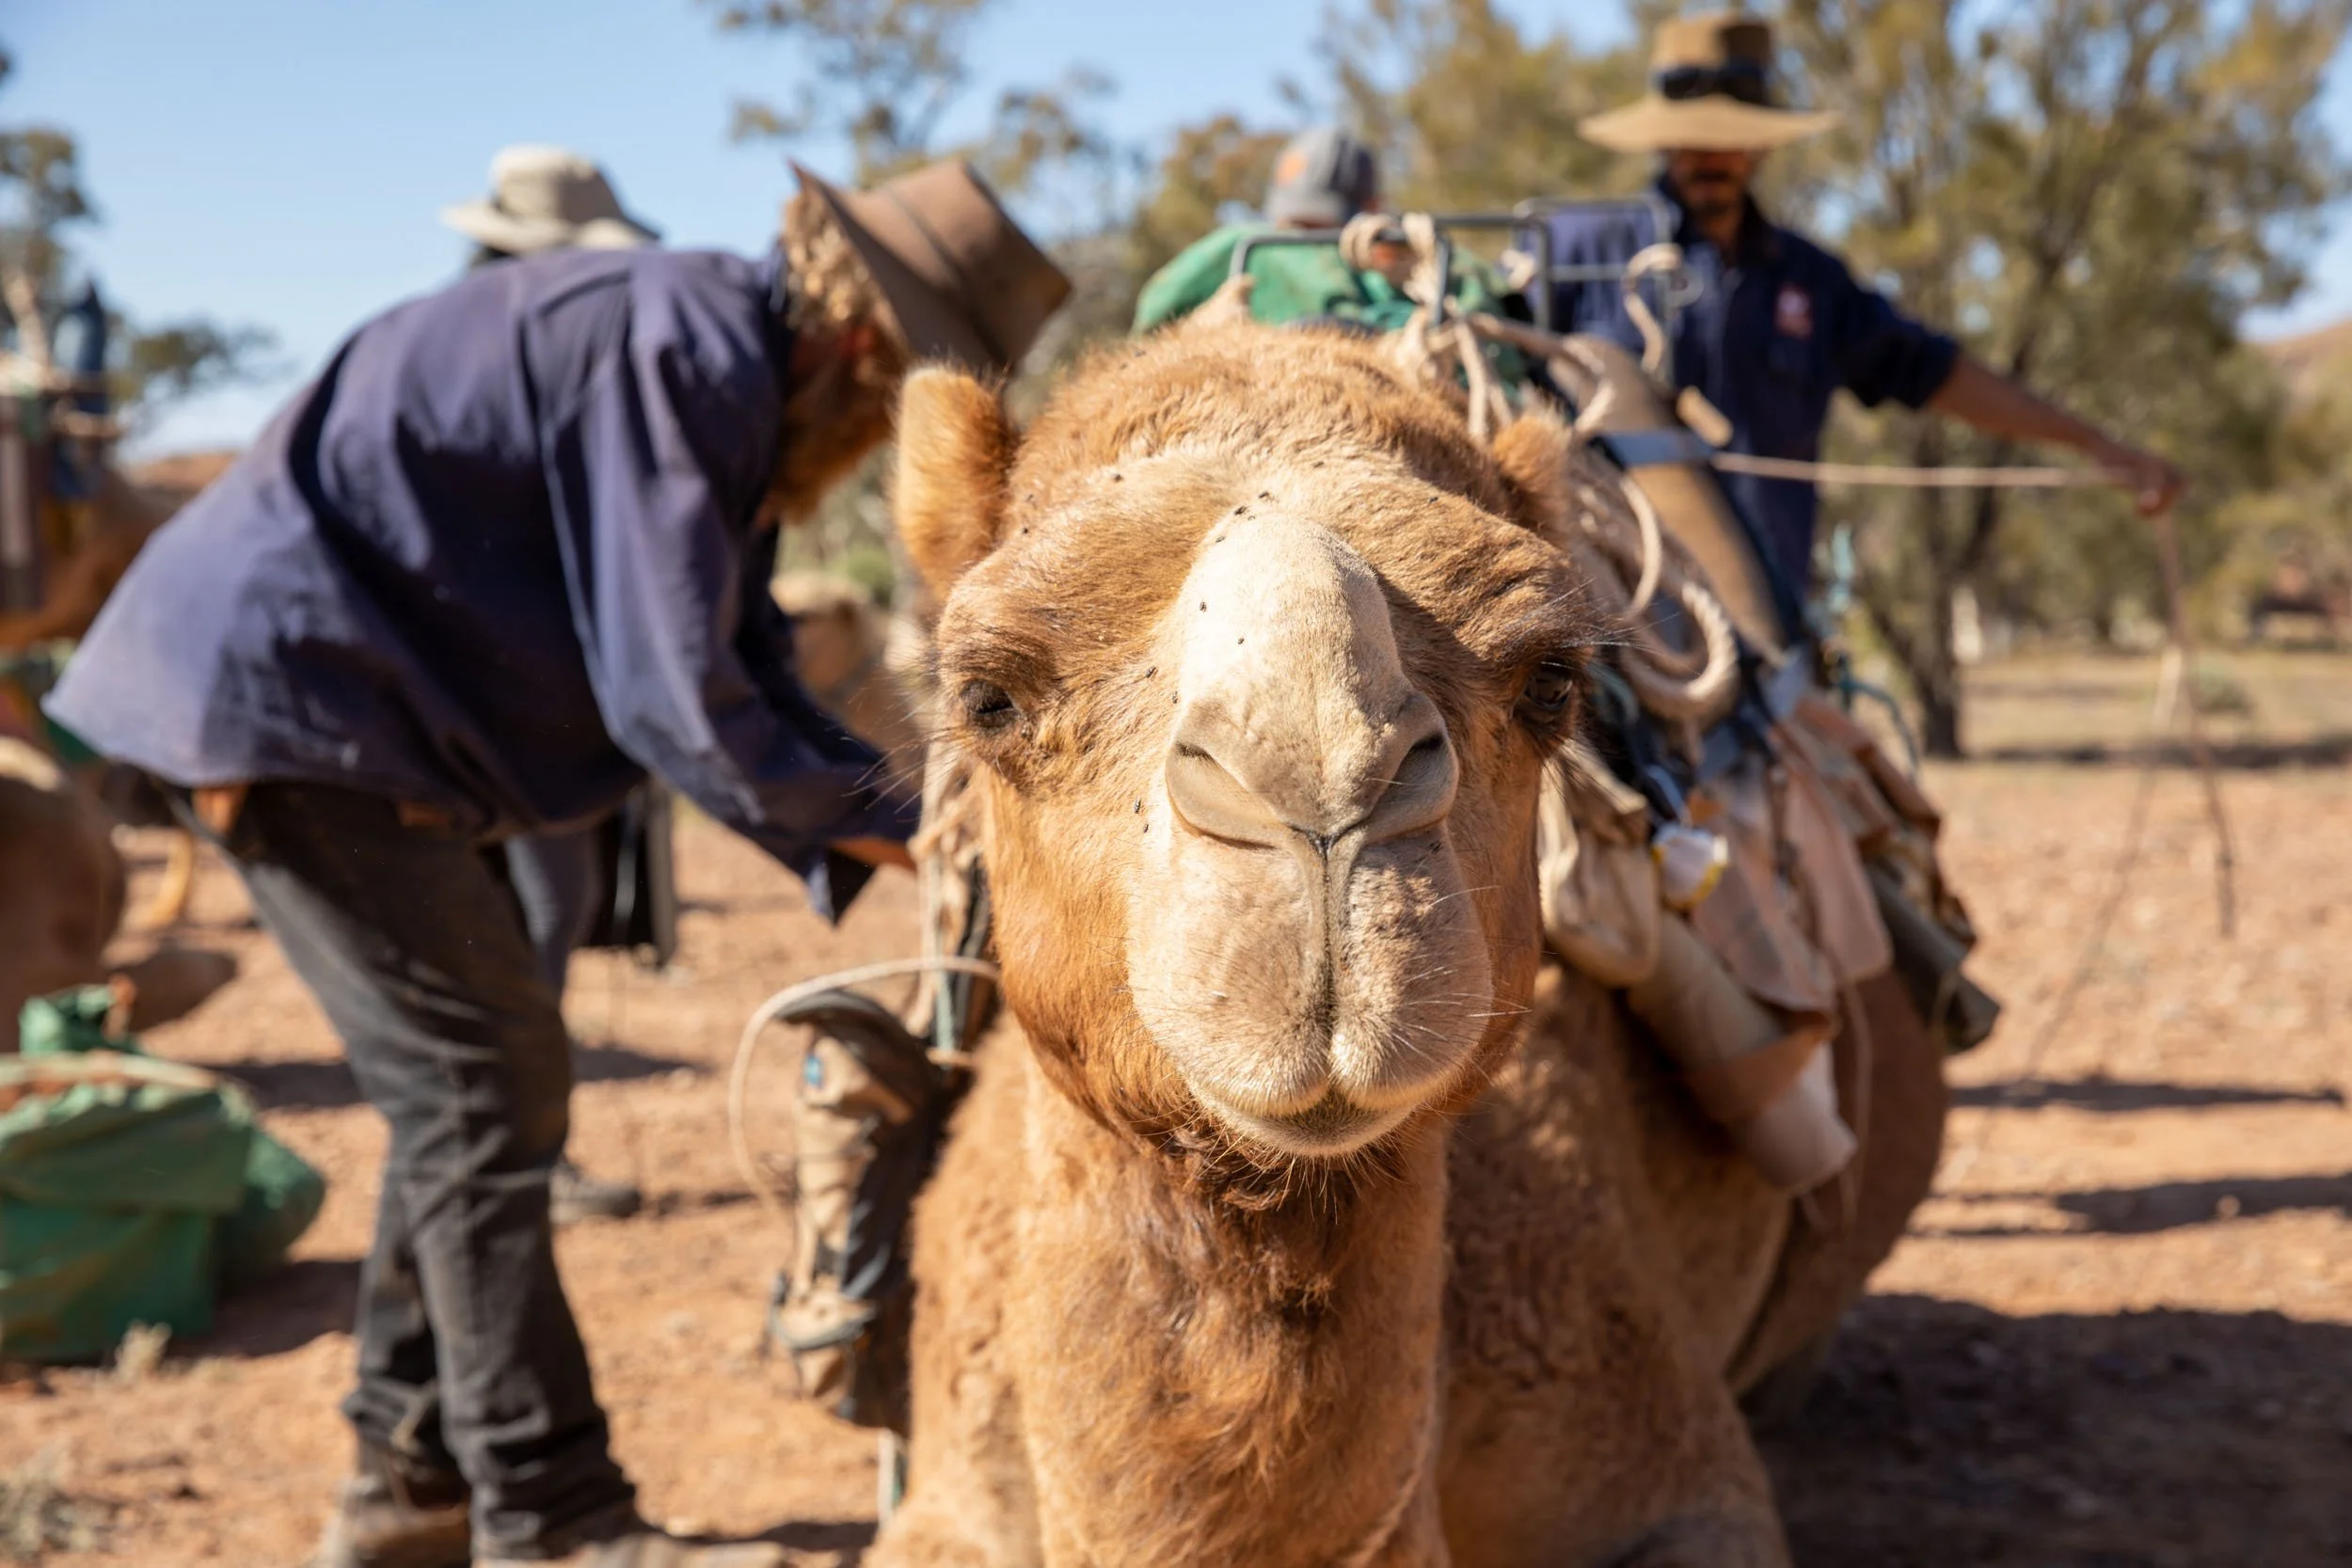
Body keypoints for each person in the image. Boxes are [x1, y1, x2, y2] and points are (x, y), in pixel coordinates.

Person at [48, 158, 1069, 1568]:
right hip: (285, 698)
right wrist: (910, 835)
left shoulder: (718, 374)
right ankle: (556, 1516)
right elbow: (668, 690)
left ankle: (407, 1480)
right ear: (863, 350)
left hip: (350, 717)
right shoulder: (679, 354)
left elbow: (748, 659)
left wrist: (924, 800)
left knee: (462, 1087)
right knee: (484, 1079)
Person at [1549, 10, 2183, 622]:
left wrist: (2095, 445)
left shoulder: (1812, 281)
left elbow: (1931, 370)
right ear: (1662, 135)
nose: (1711, 154)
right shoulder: (1575, 250)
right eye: (1694, 134)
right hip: (1610, 630)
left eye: (1731, 135)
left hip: (1770, 639)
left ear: (1763, 145)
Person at [443, 144, 668, 1227]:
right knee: (542, 908)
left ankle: (509, 1152)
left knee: (538, 907)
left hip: (473, 700)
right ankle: (522, 1157)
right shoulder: (501, 362)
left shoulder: (469, 348)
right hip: (497, 705)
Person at [1134, 125, 1520, 335]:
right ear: (1372, 205)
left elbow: (1152, 313)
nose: (1302, 238)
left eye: (1316, 224)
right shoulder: (1236, 246)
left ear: (1372, 212)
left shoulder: (1410, 259)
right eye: (1296, 224)